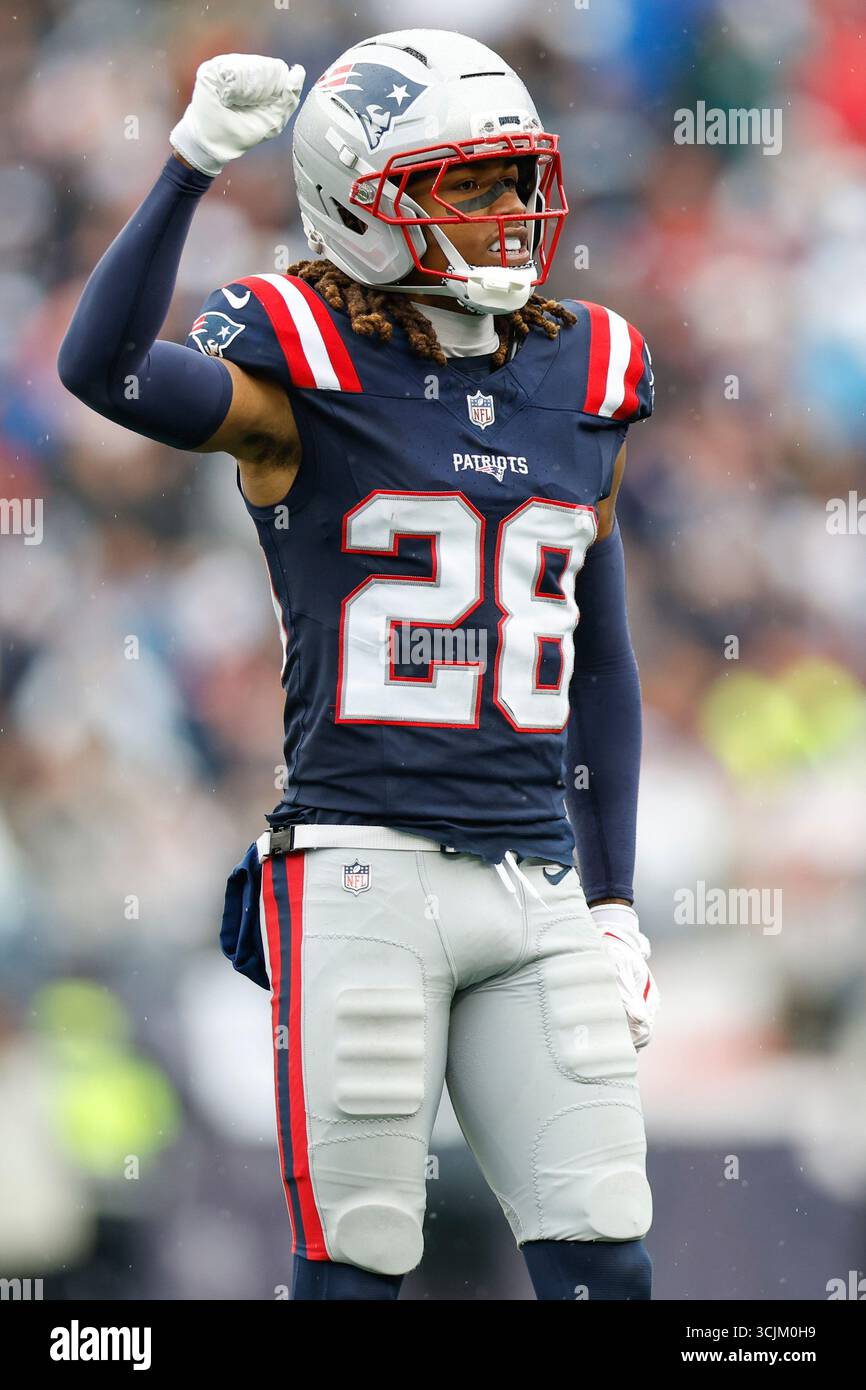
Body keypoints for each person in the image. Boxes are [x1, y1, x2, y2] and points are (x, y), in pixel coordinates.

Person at [58, 30, 660, 1301]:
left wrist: (611, 894)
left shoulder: (585, 372)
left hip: (536, 875)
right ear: (365, 206)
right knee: (357, 1263)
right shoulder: (299, 372)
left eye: (517, 178)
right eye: (472, 185)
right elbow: (100, 368)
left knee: (606, 1252)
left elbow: (596, 662)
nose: (513, 213)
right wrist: (188, 166)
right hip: (360, 874)